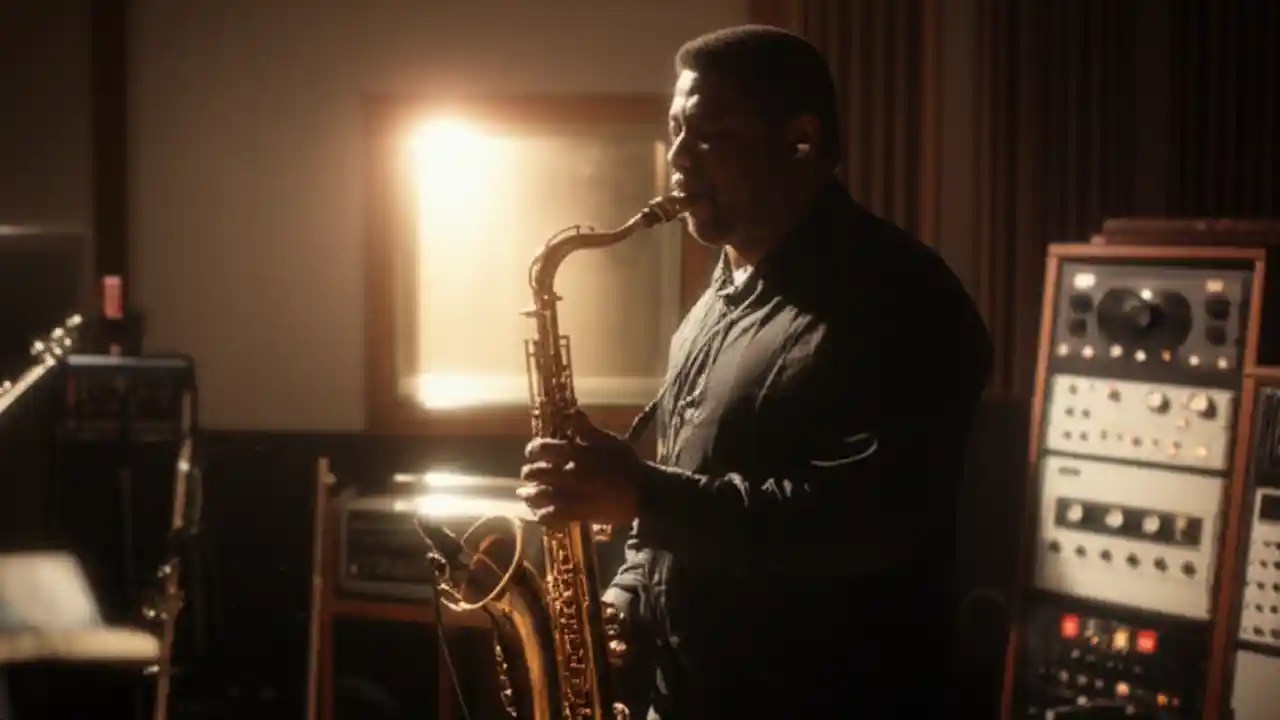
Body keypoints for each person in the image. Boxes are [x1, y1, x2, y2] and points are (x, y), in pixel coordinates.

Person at [519, 24, 992, 719]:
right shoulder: (717, 300)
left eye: (708, 134)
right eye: (674, 129)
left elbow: (870, 522)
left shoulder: (904, 296)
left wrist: (643, 492)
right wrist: (625, 600)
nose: (677, 156)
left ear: (800, 141)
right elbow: (679, 502)